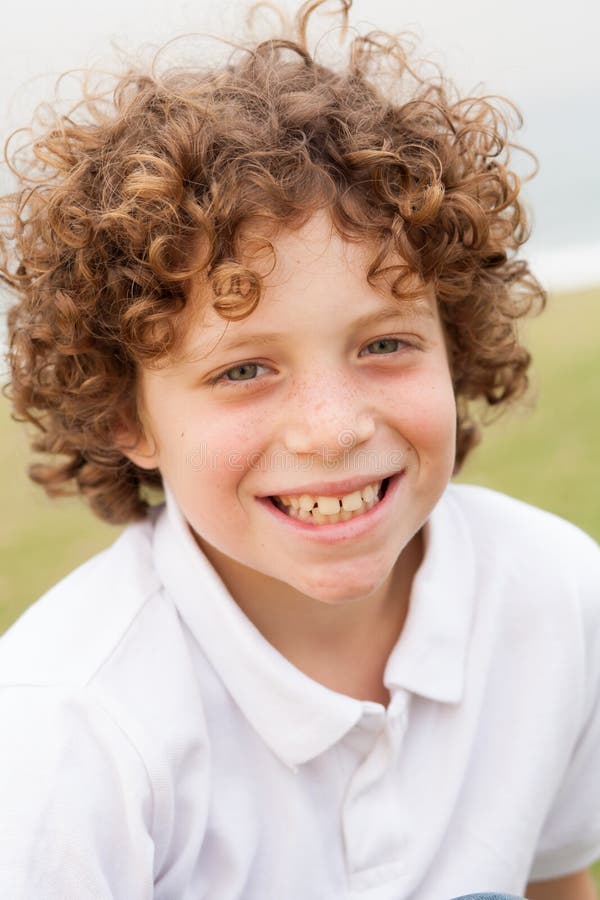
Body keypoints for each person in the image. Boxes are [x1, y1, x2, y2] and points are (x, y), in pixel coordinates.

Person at [0, 1, 598, 898]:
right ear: (128, 417)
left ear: (454, 343)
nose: (334, 427)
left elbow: (556, 879)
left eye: (385, 344)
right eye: (244, 369)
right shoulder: (67, 731)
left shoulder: (558, 595)